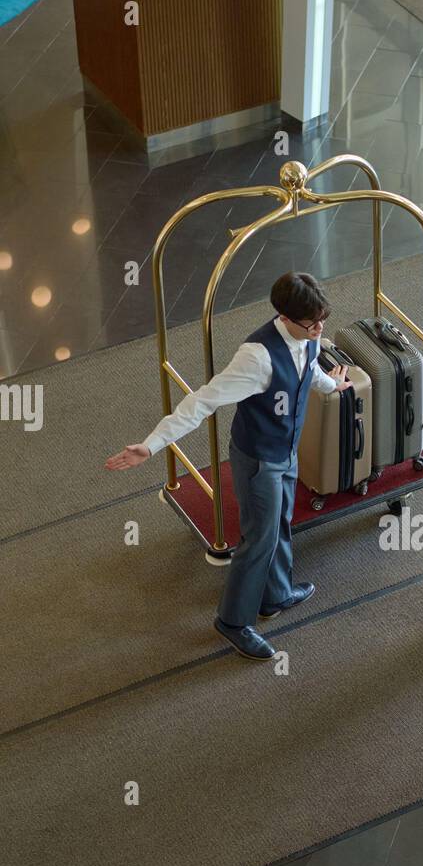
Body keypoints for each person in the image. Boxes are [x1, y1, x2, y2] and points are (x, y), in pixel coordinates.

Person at [105, 272, 351, 661]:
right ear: (284, 317)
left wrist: (331, 385)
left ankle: (276, 594)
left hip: (286, 452)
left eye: (322, 319)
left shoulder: (308, 332)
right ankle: (233, 621)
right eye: (312, 323)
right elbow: (202, 403)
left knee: (281, 522)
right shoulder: (256, 357)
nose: (319, 328)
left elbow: (310, 370)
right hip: (258, 461)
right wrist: (151, 446)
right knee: (258, 538)